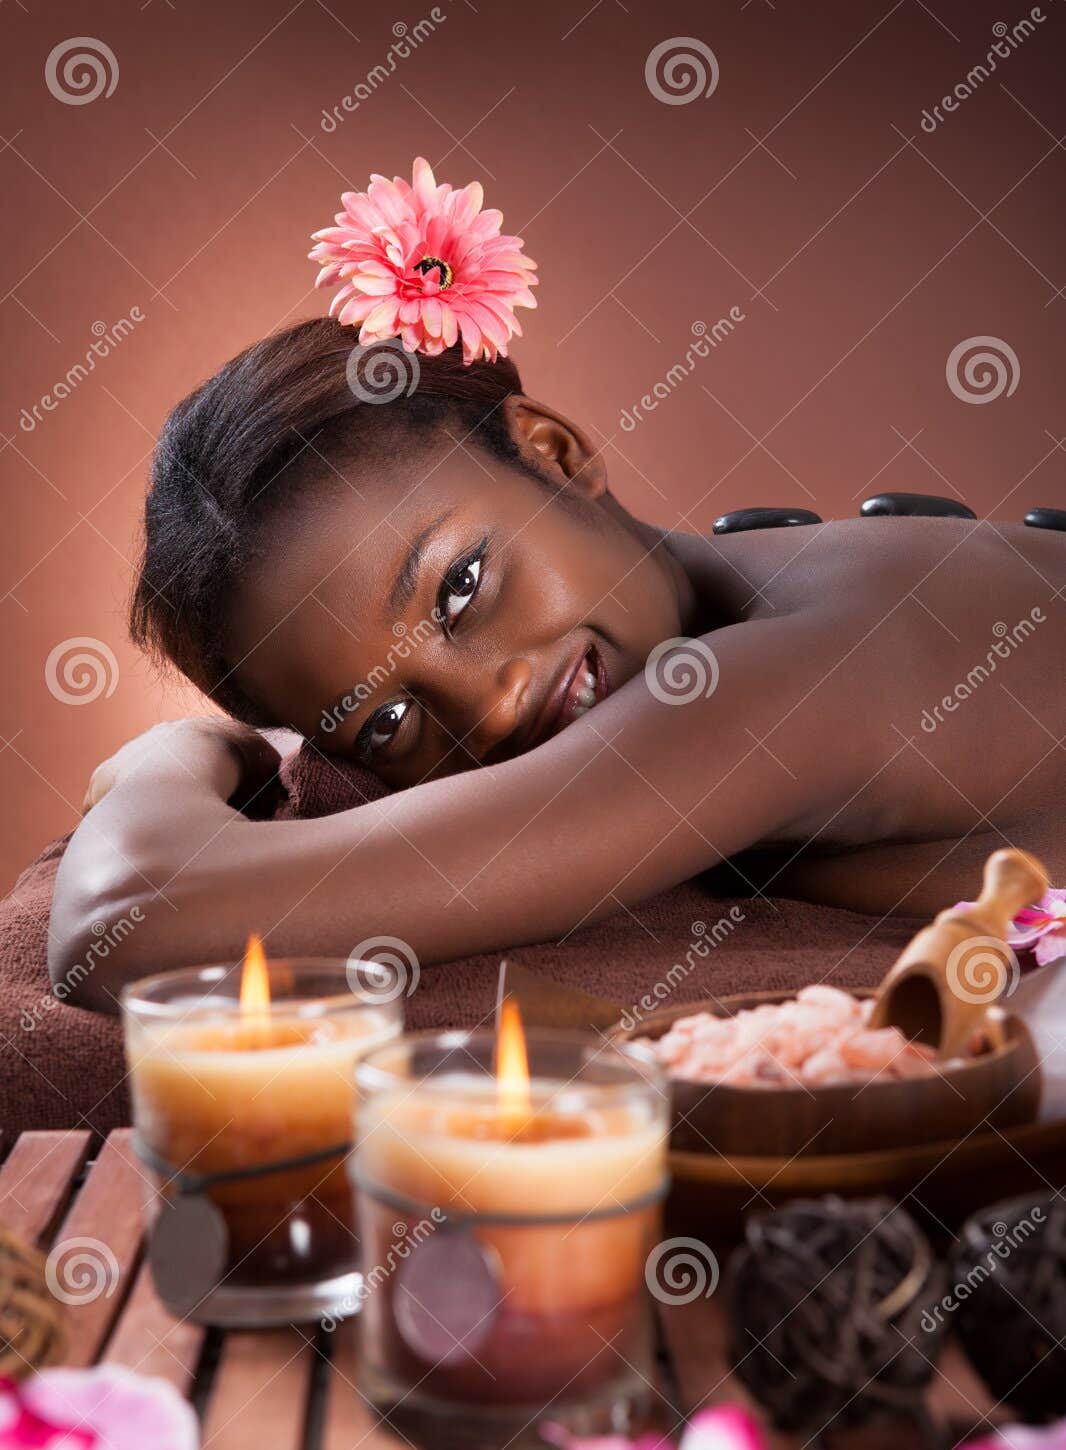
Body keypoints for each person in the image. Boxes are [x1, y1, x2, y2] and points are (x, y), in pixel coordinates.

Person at [48, 168, 1066, 1011]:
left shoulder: (777, 680)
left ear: (555, 450)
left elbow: (116, 924)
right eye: (389, 718)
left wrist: (170, 752)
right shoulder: (747, 597)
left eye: (461, 587)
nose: (489, 703)